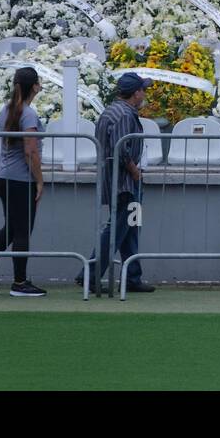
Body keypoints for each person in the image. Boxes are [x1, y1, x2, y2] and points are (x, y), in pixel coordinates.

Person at [0, 67, 48, 297]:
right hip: (19, 179)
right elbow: (30, 150)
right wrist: (40, 180)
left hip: (3, 177)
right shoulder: (28, 114)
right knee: (22, 230)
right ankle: (20, 282)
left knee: (12, 229)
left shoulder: (8, 109)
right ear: (35, 86)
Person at [79, 72, 155, 294]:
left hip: (117, 180)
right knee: (117, 229)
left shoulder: (112, 110)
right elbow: (120, 149)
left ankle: (132, 276)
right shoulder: (124, 114)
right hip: (124, 183)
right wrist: (134, 172)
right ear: (135, 93)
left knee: (130, 227)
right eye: (142, 89)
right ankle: (90, 274)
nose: (144, 93)